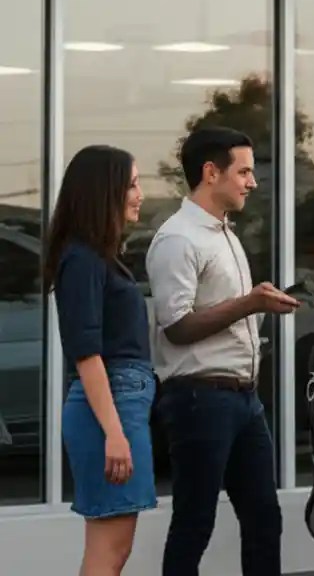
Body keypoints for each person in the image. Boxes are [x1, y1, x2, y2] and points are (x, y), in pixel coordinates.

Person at [145, 126, 299, 576]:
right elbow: (176, 327)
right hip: (199, 399)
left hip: (243, 400)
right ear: (211, 172)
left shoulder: (225, 235)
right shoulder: (178, 239)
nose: (252, 182)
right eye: (244, 171)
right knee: (195, 521)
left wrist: (259, 310)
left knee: (264, 519)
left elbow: (224, 314)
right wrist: (250, 302)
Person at [46, 144, 154, 576]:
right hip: (111, 405)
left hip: (122, 400)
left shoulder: (96, 257)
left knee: (113, 548)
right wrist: (114, 433)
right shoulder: (82, 259)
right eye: (131, 184)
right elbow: (86, 352)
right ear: (103, 191)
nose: (140, 194)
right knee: (110, 550)